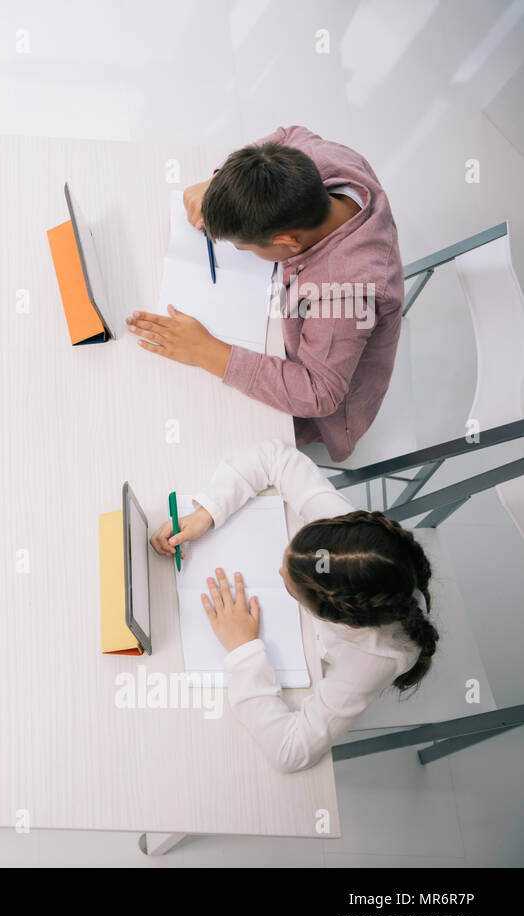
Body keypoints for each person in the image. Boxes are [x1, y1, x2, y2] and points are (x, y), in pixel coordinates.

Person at [151, 438, 438, 771]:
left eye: (289, 586)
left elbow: (289, 752)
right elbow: (274, 455)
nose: (277, 572)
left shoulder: (372, 659)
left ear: (342, 621)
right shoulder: (338, 528)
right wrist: (207, 512)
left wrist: (243, 649)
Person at [128, 126, 403, 461]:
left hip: (315, 398)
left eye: (243, 247)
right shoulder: (322, 159)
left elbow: (318, 394)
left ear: (288, 242)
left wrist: (206, 351)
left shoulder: (344, 296)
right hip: (290, 321)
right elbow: (287, 135)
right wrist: (220, 184)